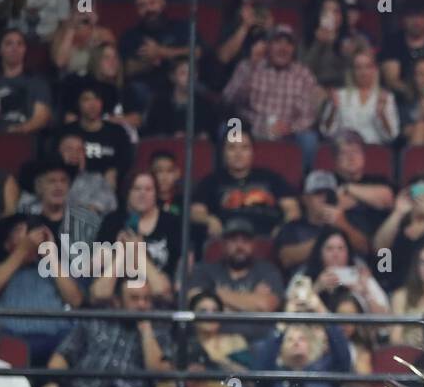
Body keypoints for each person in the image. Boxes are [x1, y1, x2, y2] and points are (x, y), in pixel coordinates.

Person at [39, 281, 171, 387]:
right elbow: (61, 357)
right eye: (134, 299)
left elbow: (160, 374)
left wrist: (146, 330)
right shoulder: (96, 320)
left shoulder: (159, 330)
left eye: (147, 299)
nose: (142, 305)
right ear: (118, 301)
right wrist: (55, 382)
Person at [0, 213, 84, 365]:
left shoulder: (57, 269)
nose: (29, 235)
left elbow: (76, 300)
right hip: (12, 340)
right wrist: (22, 250)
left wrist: (51, 256)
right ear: (7, 244)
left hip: (56, 340)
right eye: (19, 230)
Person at [222, 24, 320, 171]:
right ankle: (228, 177)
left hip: (288, 133)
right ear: (268, 46)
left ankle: (304, 183)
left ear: (294, 49)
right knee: (228, 127)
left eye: (288, 43)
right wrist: (251, 67)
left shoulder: (303, 74)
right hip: (251, 128)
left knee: (309, 139)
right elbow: (229, 99)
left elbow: (309, 116)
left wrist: (290, 127)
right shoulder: (249, 66)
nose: (283, 48)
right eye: (278, 42)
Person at [91, 170, 181, 307]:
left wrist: (138, 252)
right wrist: (121, 253)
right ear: (127, 192)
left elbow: (164, 290)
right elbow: (99, 292)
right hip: (117, 300)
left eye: (148, 189)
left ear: (156, 193)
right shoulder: (112, 222)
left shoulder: (171, 223)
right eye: (136, 188)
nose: (142, 193)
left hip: (157, 301)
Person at [190, 131, 300, 239]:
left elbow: (292, 209)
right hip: (227, 240)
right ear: (223, 152)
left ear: (253, 152)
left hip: (266, 238)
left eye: (244, 148)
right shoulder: (211, 181)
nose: (238, 154)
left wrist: (283, 228)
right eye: (232, 148)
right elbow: (195, 211)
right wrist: (209, 220)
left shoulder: (271, 178)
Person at [188, 216, 284, 340]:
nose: (239, 246)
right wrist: (251, 303)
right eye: (233, 240)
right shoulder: (205, 270)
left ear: (253, 245)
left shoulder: (268, 270)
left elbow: (265, 305)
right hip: (213, 341)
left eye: (245, 241)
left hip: (258, 343)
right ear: (223, 245)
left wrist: (215, 295)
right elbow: (194, 300)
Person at [275, 169, 365, 272]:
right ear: (305, 198)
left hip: (345, 280)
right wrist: (325, 240)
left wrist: (343, 224)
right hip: (308, 281)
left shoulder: (345, 221)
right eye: (318, 194)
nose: (325, 199)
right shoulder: (293, 227)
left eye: (329, 194)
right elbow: (286, 258)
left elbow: (364, 248)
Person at [118, 0, 197, 99]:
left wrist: (162, 52)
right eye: (142, 5)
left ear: (162, 2)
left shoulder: (181, 27)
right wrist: (148, 62)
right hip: (145, 92)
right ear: (136, 9)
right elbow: (122, 69)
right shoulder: (130, 36)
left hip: (180, 88)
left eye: (152, 3)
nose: (149, 9)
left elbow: (198, 52)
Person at [319, 47, 399, 146]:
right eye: (358, 67)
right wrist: (333, 110)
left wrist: (382, 115)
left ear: (374, 70)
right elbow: (326, 132)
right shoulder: (339, 95)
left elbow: (391, 136)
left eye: (367, 67)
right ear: (352, 71)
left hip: (372, 149)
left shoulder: (385, 97)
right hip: (345, 148)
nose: (363, 72)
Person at [59, 84, 132, 189]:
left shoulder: (117, 132)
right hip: (73, 186)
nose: (92, 104)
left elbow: (126, 161)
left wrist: (115, 171)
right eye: (86, 99)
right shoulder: (67, 131)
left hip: (108, 188)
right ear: (78, 103)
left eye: (97, 99)